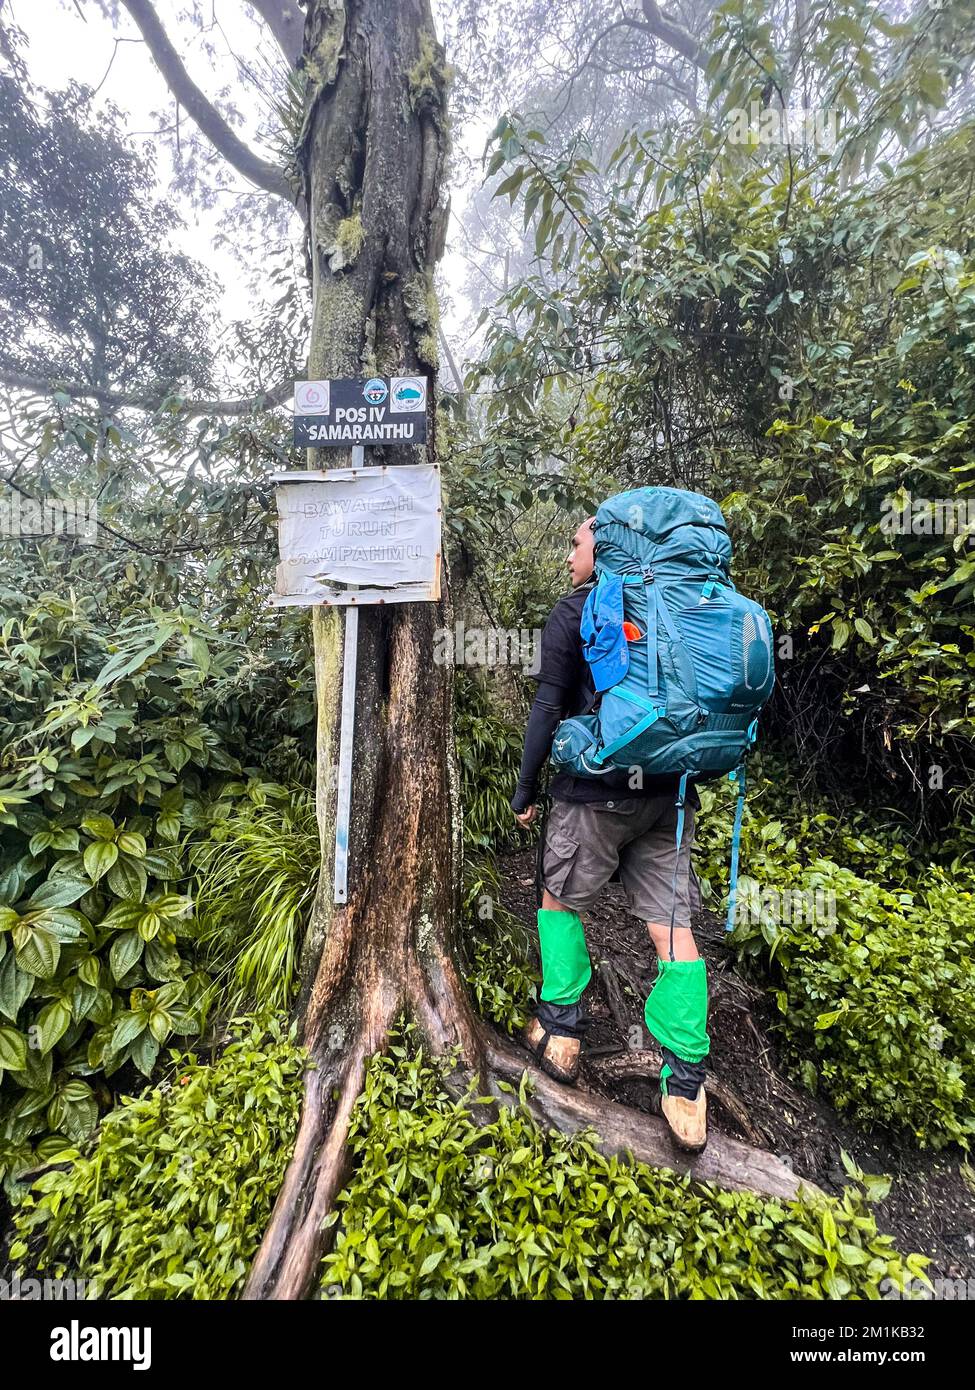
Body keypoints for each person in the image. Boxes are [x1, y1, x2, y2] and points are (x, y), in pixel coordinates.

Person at [510, 515, 710, 1152]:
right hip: (669, 796)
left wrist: (525, 788)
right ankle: (686, 1089)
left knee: (558, 900)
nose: (570, 554)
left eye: (576, 543)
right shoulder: (681, 610)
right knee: (673, 930)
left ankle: (562, 1033)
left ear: (605, 549)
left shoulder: (575, 613)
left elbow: (548, 706)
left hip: (595, 794)